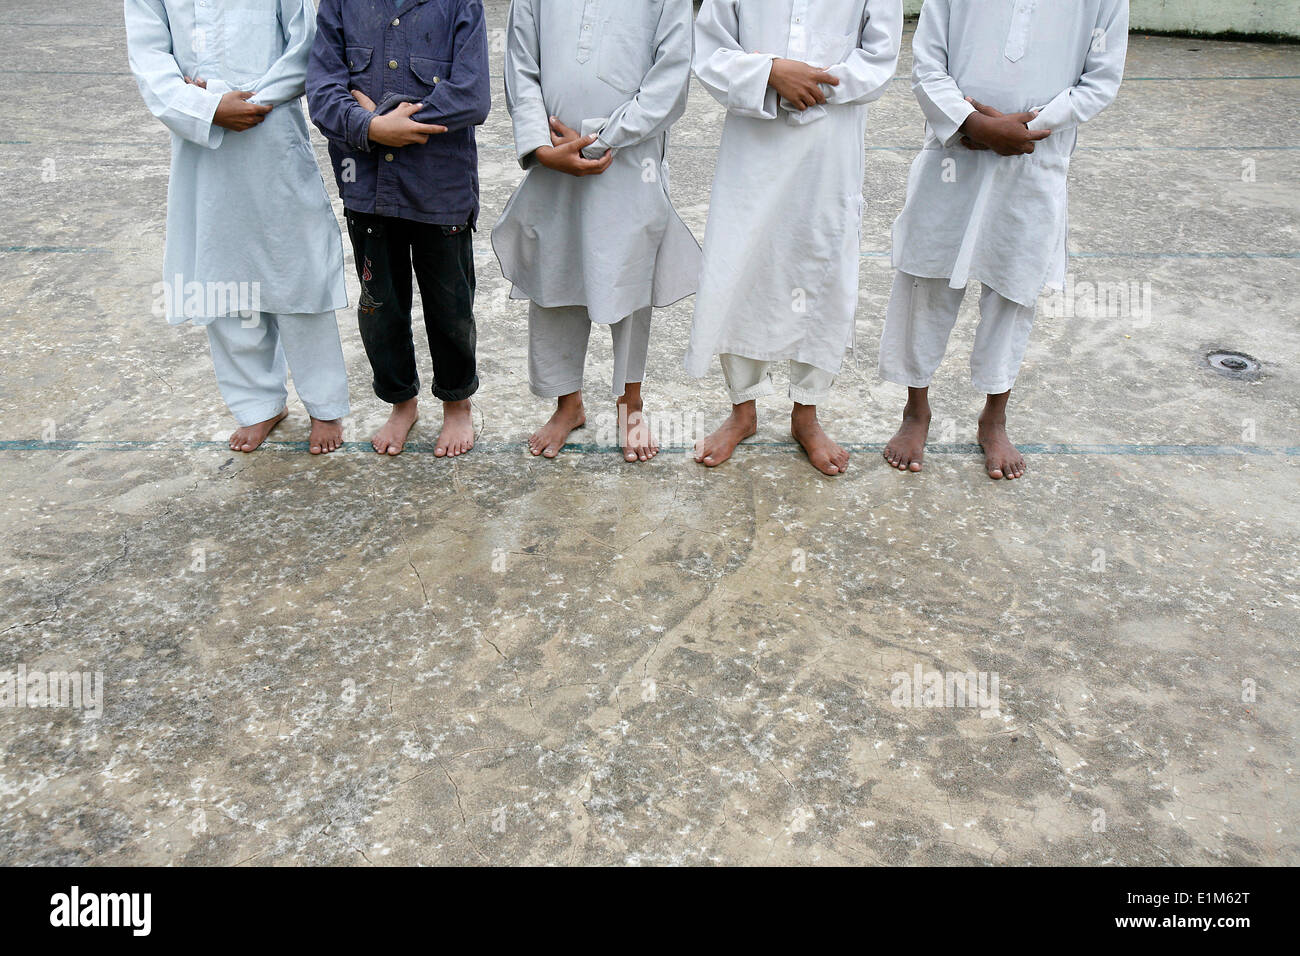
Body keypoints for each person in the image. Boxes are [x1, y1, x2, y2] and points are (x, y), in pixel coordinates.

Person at [880, 0, 1129, 479]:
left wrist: (1026, 127)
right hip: (954, 152)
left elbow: (1100, 80)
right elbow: (928, 63)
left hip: (1034, 157)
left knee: (1013, 289)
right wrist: (973, 124)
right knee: (924, 280)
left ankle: (994, 418)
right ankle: (916, 410)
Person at [687, 0, 903, 475]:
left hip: (831, 141)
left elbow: (881, 57)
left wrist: (817, 85)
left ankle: (807, 414)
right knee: (742, 265)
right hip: (753, 140)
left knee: (820, 262)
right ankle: (742, 412)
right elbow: (708, 50)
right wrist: (768, 73)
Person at [126, 0, 351, 454]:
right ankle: (258, 404)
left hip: (271, 134)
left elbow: (307, 40)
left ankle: (325, 405)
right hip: (202, 146)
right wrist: (205, 107)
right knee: (220, 271)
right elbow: (149, 57)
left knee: (296, 271)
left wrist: (250, 101)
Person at [493, 0, 700, 462]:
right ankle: (568, 405)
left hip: (630, 159)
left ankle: (631, 405)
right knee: (556, 275)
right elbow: (520, 65)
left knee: (631, 279)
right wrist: (541, 146)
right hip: (553, 159)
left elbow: (671, 78)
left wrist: (602, 138)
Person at [308, 0, 491, 457]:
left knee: (450, 307)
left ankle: (457, 403)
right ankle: (401, 402)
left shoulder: (459, 5)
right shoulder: (340, 5)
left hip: (440, 189)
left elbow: (472, 96)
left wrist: (383, 117)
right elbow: (323, 93)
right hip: (367, 188)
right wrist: (369, 127)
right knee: (380, 309)